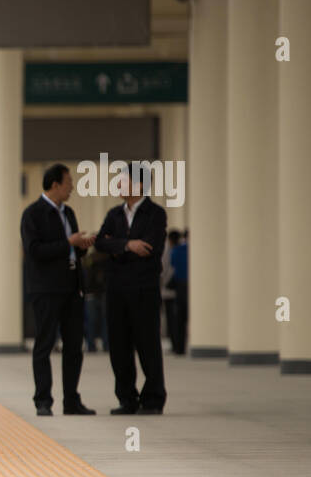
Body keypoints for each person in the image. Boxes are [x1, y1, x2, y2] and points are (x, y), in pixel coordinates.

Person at [20, 163, 96, 416]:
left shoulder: (69, 213)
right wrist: (68, 243)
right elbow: (35, 251)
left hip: (72, 287)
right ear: (55, 185)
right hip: (46, 289)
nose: (72, 186)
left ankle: (71, 400)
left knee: (74, 345)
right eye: (68, 182)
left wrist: (82, 245)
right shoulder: (33, 214)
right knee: (44, 344)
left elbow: (71, 248)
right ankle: (43, 400)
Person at [94, 172, 167, 414]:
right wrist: (127, 245)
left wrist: (117, 247)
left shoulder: (155, 214)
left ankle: (153, 399)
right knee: (119, 345)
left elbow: (151, 248)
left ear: (138, 185)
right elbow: (100, 243)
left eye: (123, 181)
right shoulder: (114, 214)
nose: (118, 184)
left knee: (148, 344)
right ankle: (127, 399)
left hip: (144, 289)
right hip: (116, 290)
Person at [169, 230, 188, 355]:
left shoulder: (176, 250)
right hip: (192, 285)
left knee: (179, 318)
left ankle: (179, 348)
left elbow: (172, 264)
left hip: (181, 285)